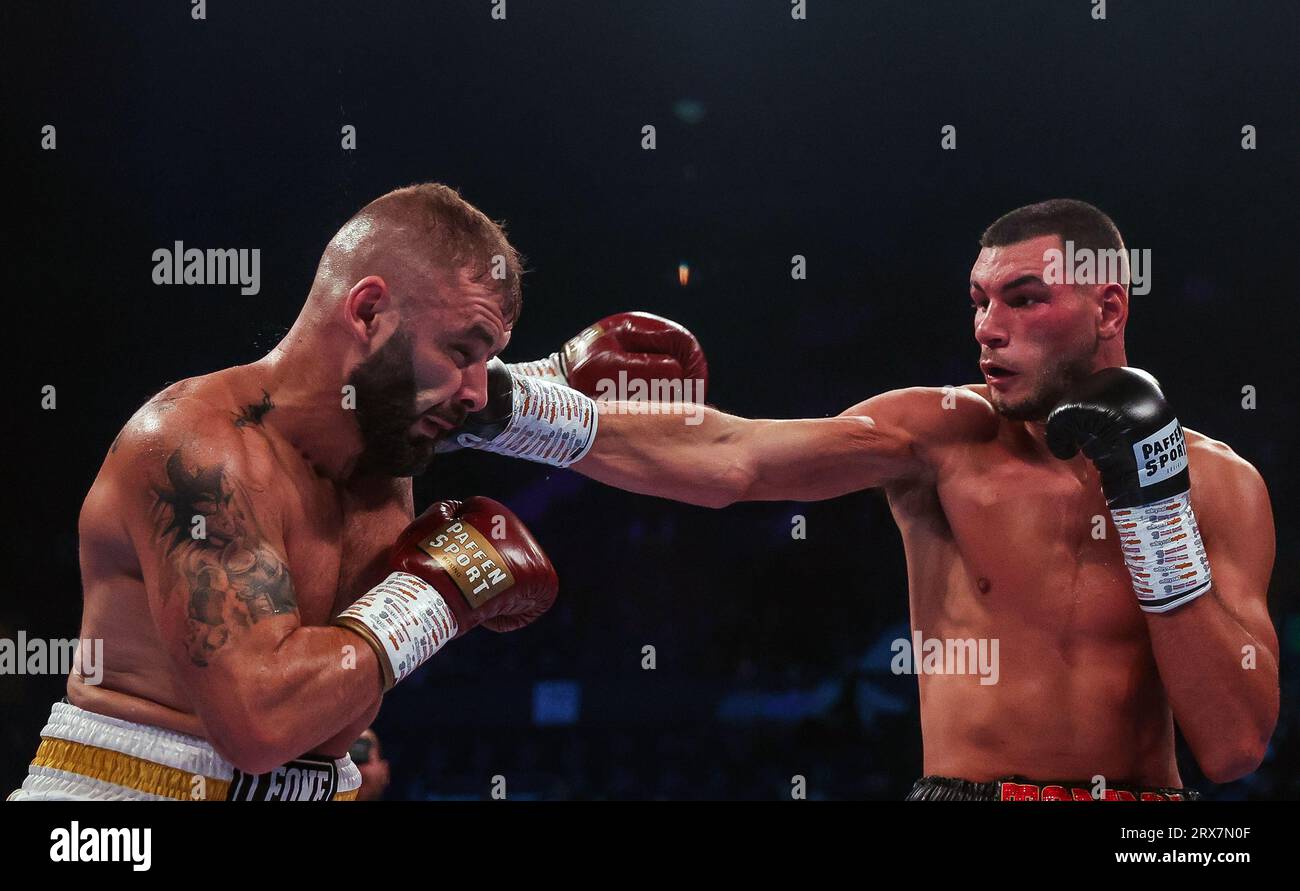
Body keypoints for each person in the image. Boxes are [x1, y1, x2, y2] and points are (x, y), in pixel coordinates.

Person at [448, 199, 1278, 800]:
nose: (988, 327)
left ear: (1109, 307)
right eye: (980, 301)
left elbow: (1235, 746)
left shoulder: (1219, 484)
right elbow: (736, 455)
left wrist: (1154, 507)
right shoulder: (940, 434)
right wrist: (508, 406)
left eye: (1024, 298)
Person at [8, 184, 587, 801]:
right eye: (461, 351)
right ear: (368, 312)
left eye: (489, 360)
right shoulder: (199, 448)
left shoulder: (386, 456)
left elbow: (326, 709)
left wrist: (572, 388)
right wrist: (440, 596)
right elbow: (260, 727)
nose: (477, 391)